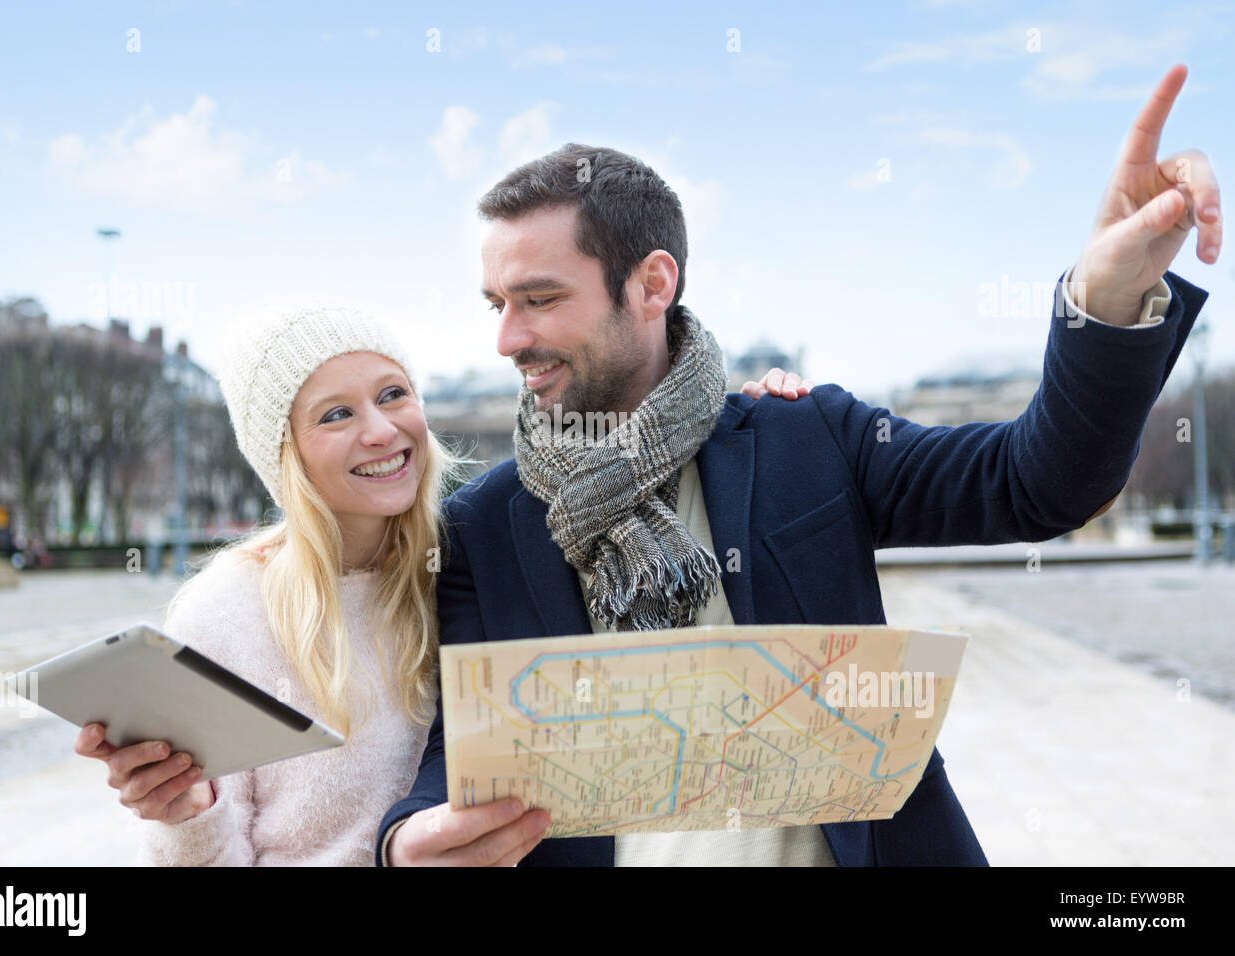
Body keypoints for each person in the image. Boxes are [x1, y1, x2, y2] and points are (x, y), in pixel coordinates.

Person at [379, 64, 1218, 866]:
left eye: (540, 298)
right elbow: (457, 750)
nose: (507, 339)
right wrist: (404, 837)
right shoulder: (482, 524)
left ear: (651, 283)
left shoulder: (808, 436)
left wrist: (1107, 303)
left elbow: (1038, 484)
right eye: (497, 304)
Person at [72, 300, 806, 865]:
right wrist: (185, 813)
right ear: (283, 455)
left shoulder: (472, 560)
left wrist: (743, 418)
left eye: (393, 394)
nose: (382, 430)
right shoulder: (225, 612)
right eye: (336, 414)